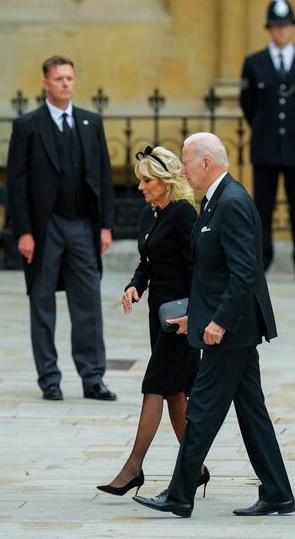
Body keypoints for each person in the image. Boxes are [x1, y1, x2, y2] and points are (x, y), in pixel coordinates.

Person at [133, 133, 294, 518]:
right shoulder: (214, 201)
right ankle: (277, 492)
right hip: (226, 325)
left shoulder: (232, 202)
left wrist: (219, 322)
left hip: (232, 330)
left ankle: (179, 494)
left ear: (206, 162)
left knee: (201, 410)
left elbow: (243, 274)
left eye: (186, 162)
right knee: (252, 411)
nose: (183, 169)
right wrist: (199, 315)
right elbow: (214, 274)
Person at [97, 145, 208, 497]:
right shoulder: (151, 214)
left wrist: (195, 315)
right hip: (158, 317)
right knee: (175, 393)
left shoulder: (184, 215)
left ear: (165, 181)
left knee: (155, 386)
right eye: (140, 180)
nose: (141, 187)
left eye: (147, 180)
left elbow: (197, 269)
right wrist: (134, 286)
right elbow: (147, 262)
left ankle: (133, 469)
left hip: (182, 319)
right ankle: (197, 469)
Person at [7, 56, 117, 402]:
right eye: (59, 79)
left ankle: (93, 377)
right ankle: (49, 378)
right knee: (42, 302)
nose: (66, 84)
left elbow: (103, 177)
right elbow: (17, 184)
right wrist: (24, 231)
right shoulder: (27, 126)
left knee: (88, 301)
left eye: (70, 78)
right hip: (44, 228)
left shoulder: (90, 122)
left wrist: (105, 226)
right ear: (46, 83)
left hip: (83, 224)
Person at [240, 0, 295, 282]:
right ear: (268, 29)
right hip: (266, 147)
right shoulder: (254, 63)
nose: (281, 31)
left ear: (293, 27)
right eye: (275, 26)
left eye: (285, 25)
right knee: (262, 208)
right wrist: (265, 128)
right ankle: (262, 261)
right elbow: (248, 104)